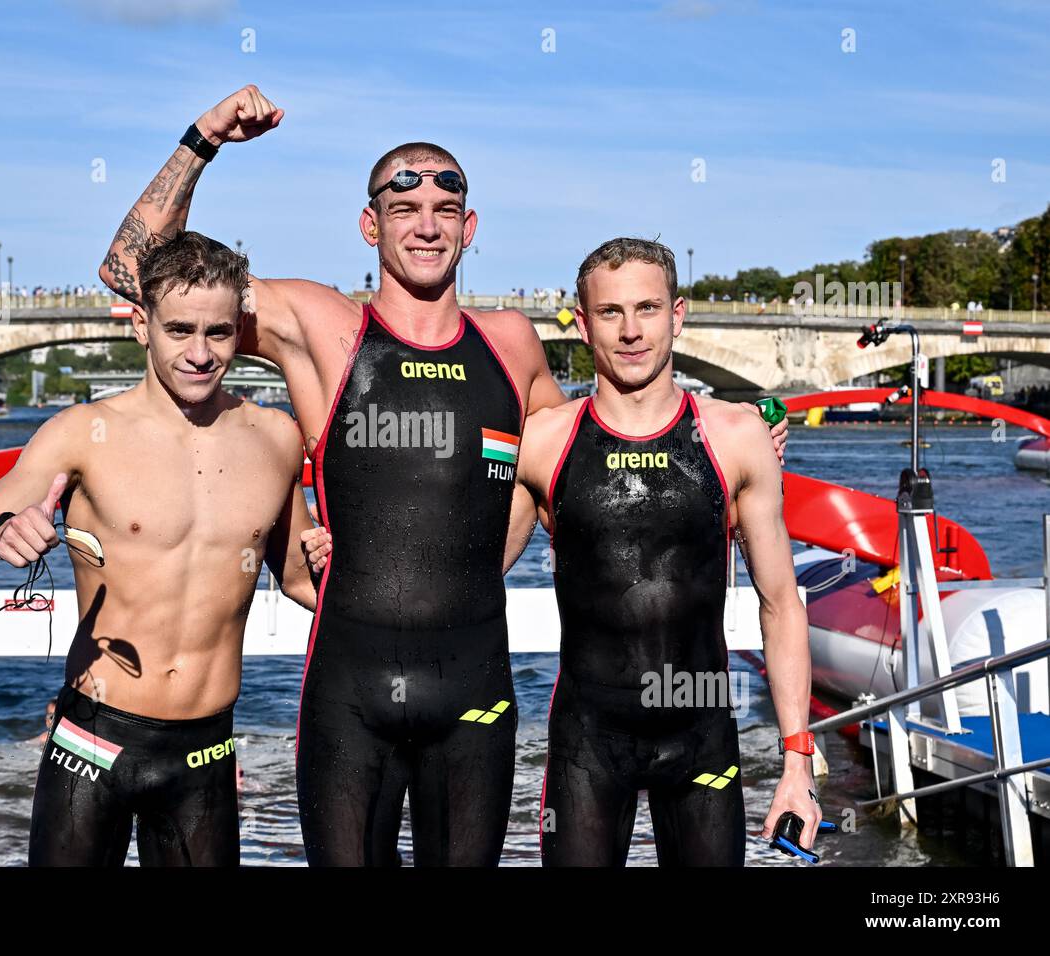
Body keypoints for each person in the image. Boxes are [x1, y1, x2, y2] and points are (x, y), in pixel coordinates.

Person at [98, 85, 788, 866]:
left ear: (470, 228)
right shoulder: (321, 326)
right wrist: (203, 139)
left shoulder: (511, 342)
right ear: (369, 225)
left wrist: (738, 451)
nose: (426, 225)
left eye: (444, 211)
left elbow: (589, 462)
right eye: (404, 209)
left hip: (475, 692)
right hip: (349, 690)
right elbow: (133, 272)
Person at [0, 231, 324, 867]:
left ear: (239, 328)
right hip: (93, 743)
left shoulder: (276, 438)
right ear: (141, 324)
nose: (200, 354)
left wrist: (351, 571)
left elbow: (301, 581)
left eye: (219, 333)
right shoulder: (81, 434)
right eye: (179, 331)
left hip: (206, 752)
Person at [507, 238, 815, 865]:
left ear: (677, 314)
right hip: (588, 741)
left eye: (647, 309)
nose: (630, 331)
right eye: (610, 312)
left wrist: (797, 763)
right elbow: (469, 574)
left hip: (700, 735)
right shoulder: (543, 441)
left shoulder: (735, 435)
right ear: (582, 319)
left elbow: (781, 603)